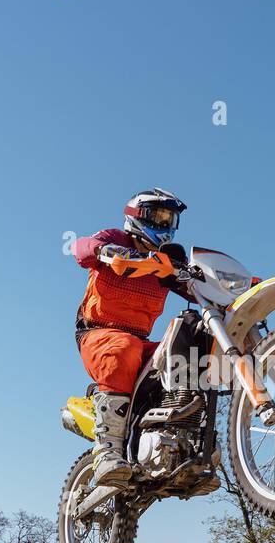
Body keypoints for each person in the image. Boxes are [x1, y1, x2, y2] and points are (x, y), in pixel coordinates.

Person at [72, 187, 192, 486]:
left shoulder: (166, 262)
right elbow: (81, 247)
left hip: (141, 342)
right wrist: (103, 251)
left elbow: (197, 289)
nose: (164, 225)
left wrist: (241, 284)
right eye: (158, 217)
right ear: (137, 217)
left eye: (169, 219)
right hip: (99, 333)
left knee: (188, 350)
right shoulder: (115, 240)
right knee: (123, 346)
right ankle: (107, 452)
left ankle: (179, 443)